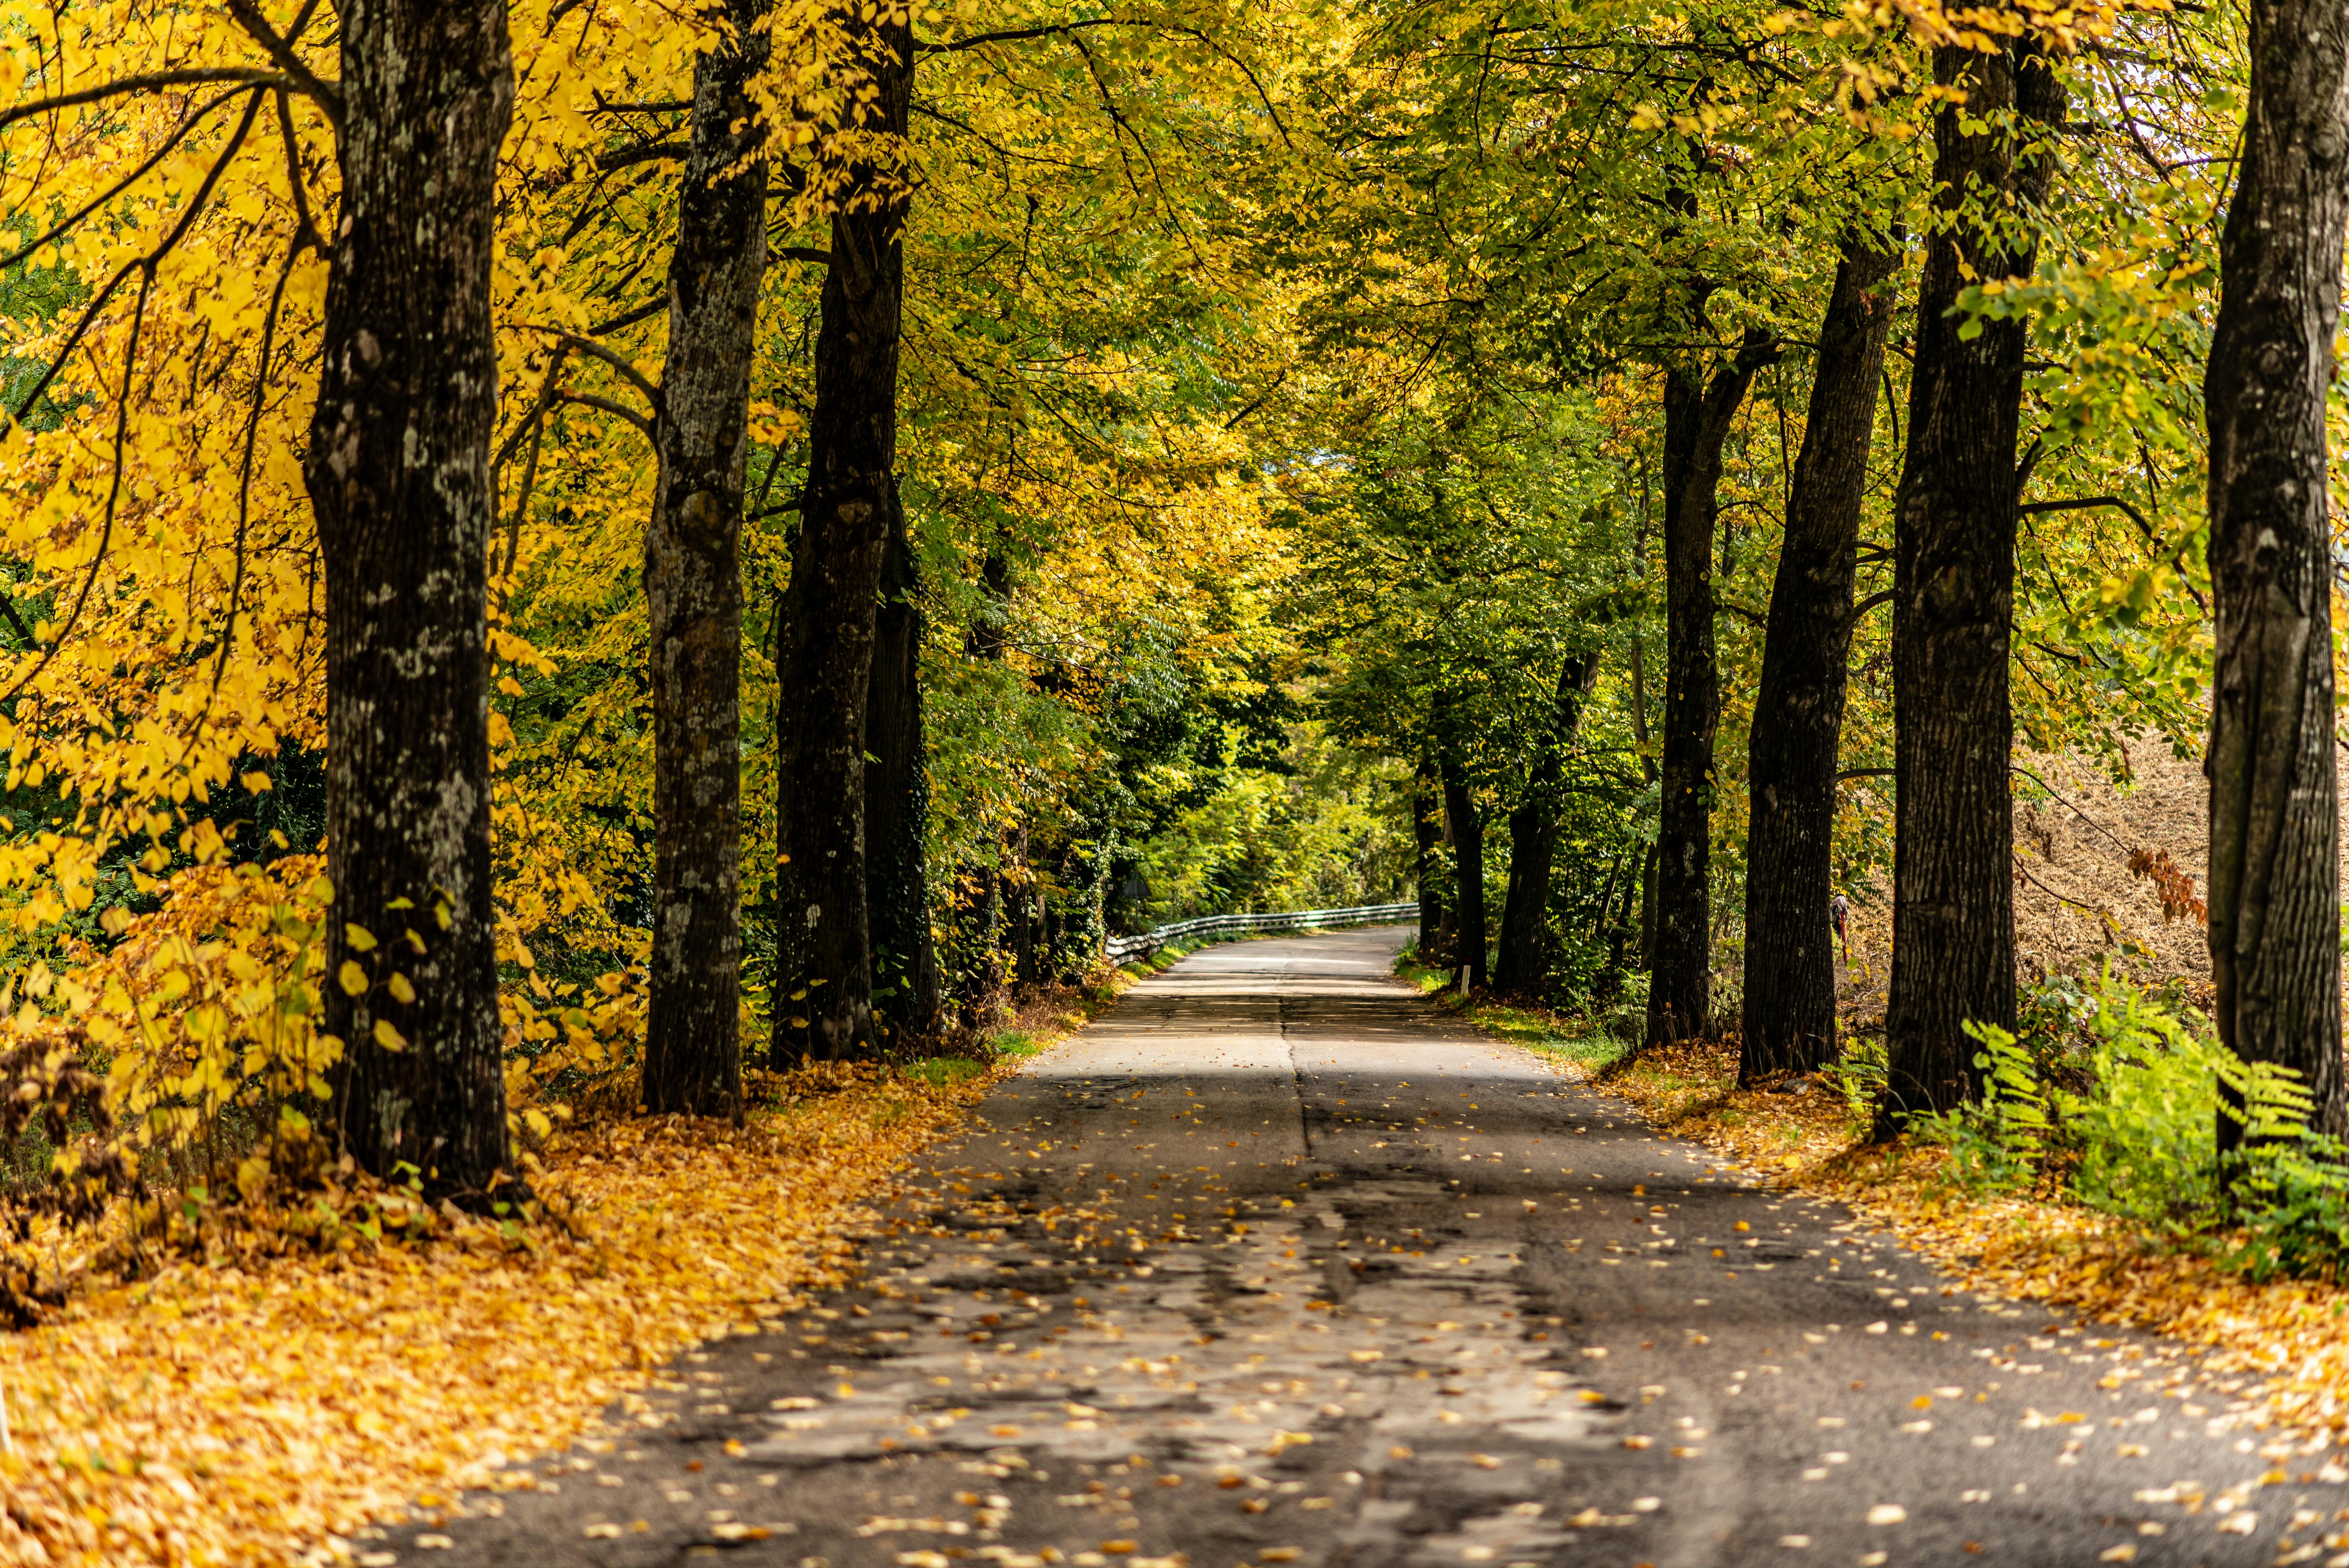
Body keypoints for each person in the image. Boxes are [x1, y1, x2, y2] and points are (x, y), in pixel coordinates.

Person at [1830, 892, 1851, 966]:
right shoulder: (1839, 900)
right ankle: (1845, 960)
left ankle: (1846, 961)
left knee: (1844, 940)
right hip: (1839, 921)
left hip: (1841, 921)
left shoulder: (1839, 900)